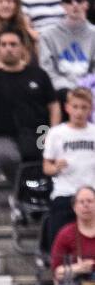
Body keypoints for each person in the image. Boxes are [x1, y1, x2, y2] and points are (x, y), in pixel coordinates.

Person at [0, 29, 59, 186]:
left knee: (45, 156)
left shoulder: (38, 74)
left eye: (13, 44)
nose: (8, 48)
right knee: (4, 155)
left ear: (22, 48)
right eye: (4, 44)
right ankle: (16, 190)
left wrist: (54, 134)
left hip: (40, 133)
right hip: (5, 136)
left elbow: (53, 105)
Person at [43, 86, 95, 241]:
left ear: (90, 109)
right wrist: (56, 167)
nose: (79, 112)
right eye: (75, 107)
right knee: (60, 238)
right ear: (67, 108)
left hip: (91, 194)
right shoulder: (56, 133)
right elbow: (46, 168)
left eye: (84, 107)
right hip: (65, 193)